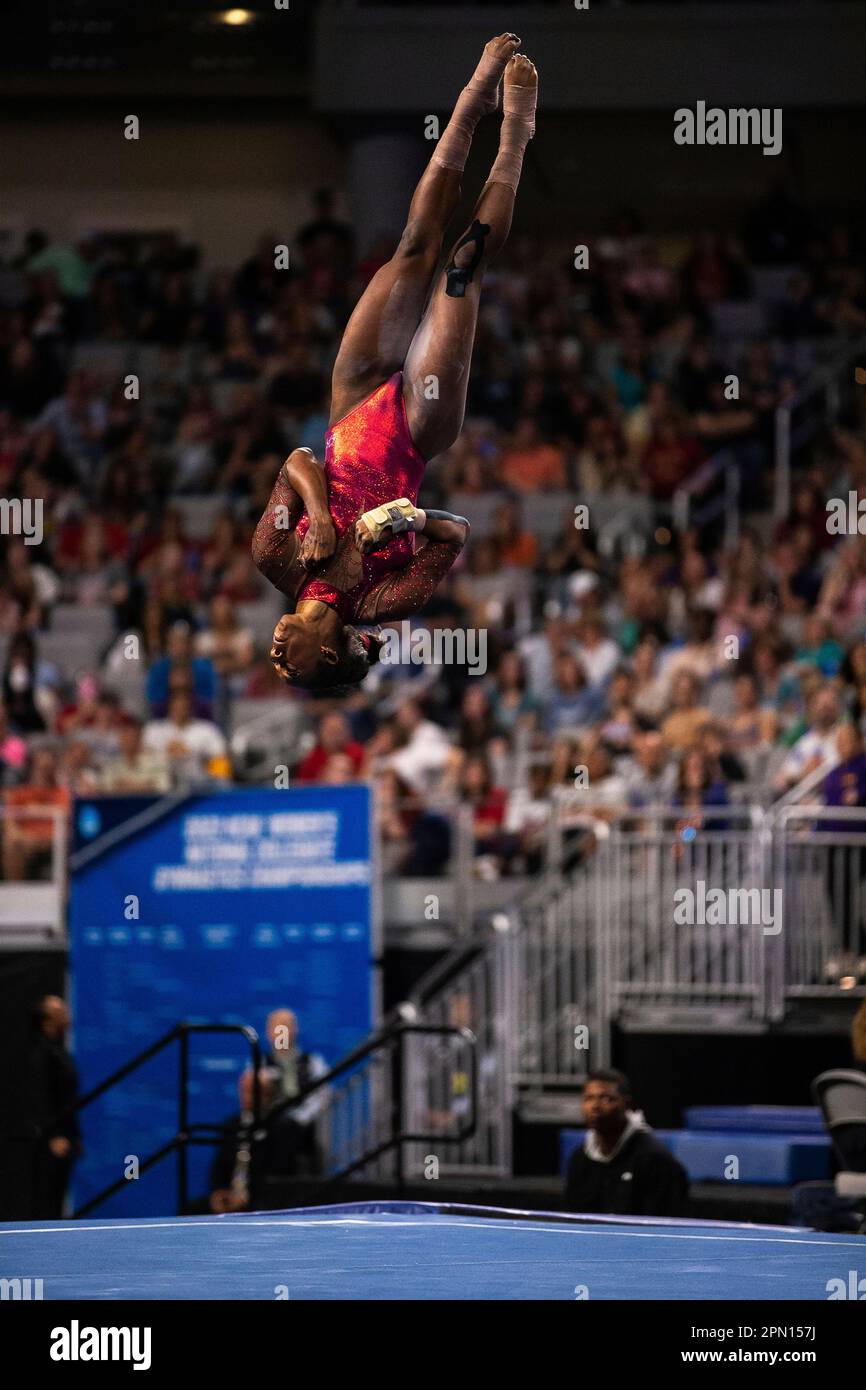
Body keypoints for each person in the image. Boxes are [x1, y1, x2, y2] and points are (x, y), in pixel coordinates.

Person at [251, 36, 537, 691]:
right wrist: (410, 518)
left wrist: (320, 519)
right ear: (323, 657)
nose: (271, 649)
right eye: (282, 662)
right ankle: (517, 135)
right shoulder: (385, 604)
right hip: (415, 427)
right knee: (462, 267)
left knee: (413, 245)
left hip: (351, 400)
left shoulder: (276, 558)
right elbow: (457, 534)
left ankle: (474, 95)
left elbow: (296, 463)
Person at [564, 1069, 689, 1218]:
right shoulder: (580, 1158)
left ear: (627, 1104)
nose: (595, 1106)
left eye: (606, 1098)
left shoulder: (654, 1159)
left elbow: (666, 1226)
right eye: (589, 1098)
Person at [29, 995, 81, 1218]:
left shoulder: (58, 1050)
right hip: (50, 1141)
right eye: (61, 1012)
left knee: (56, 1199)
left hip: (65, 1135)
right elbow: (39, 1095)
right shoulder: (41, 1053)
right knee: (46, 1202)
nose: (68, 1015)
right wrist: (54, 1135)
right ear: (49, 1020)